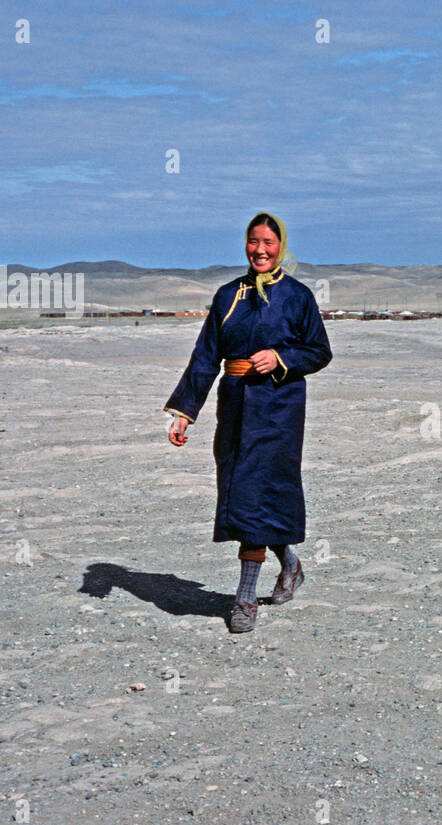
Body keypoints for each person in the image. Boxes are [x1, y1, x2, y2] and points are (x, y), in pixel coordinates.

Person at [164, 211, 333, 634]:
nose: (260, 250)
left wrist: (281, 358)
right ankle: (291, 565)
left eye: (269, 243)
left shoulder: (297, 296)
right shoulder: (227, 296)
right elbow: (205, 356)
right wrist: (186, 412)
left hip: (279, 405)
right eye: (253, 242)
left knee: (260, 487)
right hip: (236, 402)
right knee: (244, 491)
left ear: (282, 247)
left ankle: (244, 599)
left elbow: (319, 351)